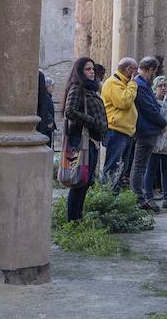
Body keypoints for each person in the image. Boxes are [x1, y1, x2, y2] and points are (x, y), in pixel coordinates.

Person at [62, 57, 108, 222]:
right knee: (79, 181)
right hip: (82, 139)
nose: (92, 72)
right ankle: (73, 221)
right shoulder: (77, 87)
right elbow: (69, 111)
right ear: (80, 71)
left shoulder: (91, 89)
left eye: (93, 69)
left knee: (86, 181)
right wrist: (92, 121)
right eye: (88, 69)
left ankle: (78, 218)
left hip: (92, 140)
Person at [128, 57, 167, 211]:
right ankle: (138, 198)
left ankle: (139, 196)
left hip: (148, 129)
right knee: (139, 166)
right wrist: (164, 123)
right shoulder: (140, 84)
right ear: (150, 70)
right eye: (154, 71)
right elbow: (149, 108)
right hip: (145, 130)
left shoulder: (142, 84)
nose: (154, 75)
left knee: (140, 166)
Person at [101, 57, 138, 188]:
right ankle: (107, 194)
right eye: (135, 70)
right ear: (129, 70)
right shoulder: (113, 83)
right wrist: (133, 84)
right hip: (116, 131)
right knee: (113, 167)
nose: (137, 74)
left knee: (122, 168)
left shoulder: (124, 83)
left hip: (126, 132)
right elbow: (124, 102)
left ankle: (115, 194)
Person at [146, 75, 167, 209]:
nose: (163, 88)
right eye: (160, 86)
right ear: (155, 88)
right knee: (151, 169)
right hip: (155, 138)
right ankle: (148, 197)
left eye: (165, 85)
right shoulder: (151, 101)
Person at [36, 70, 56, 140]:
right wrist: (50, 122)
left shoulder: (48, 96)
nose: (53, 88)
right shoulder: (46, 97)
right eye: (52, 86)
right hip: (45, 125)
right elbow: (45, 110)